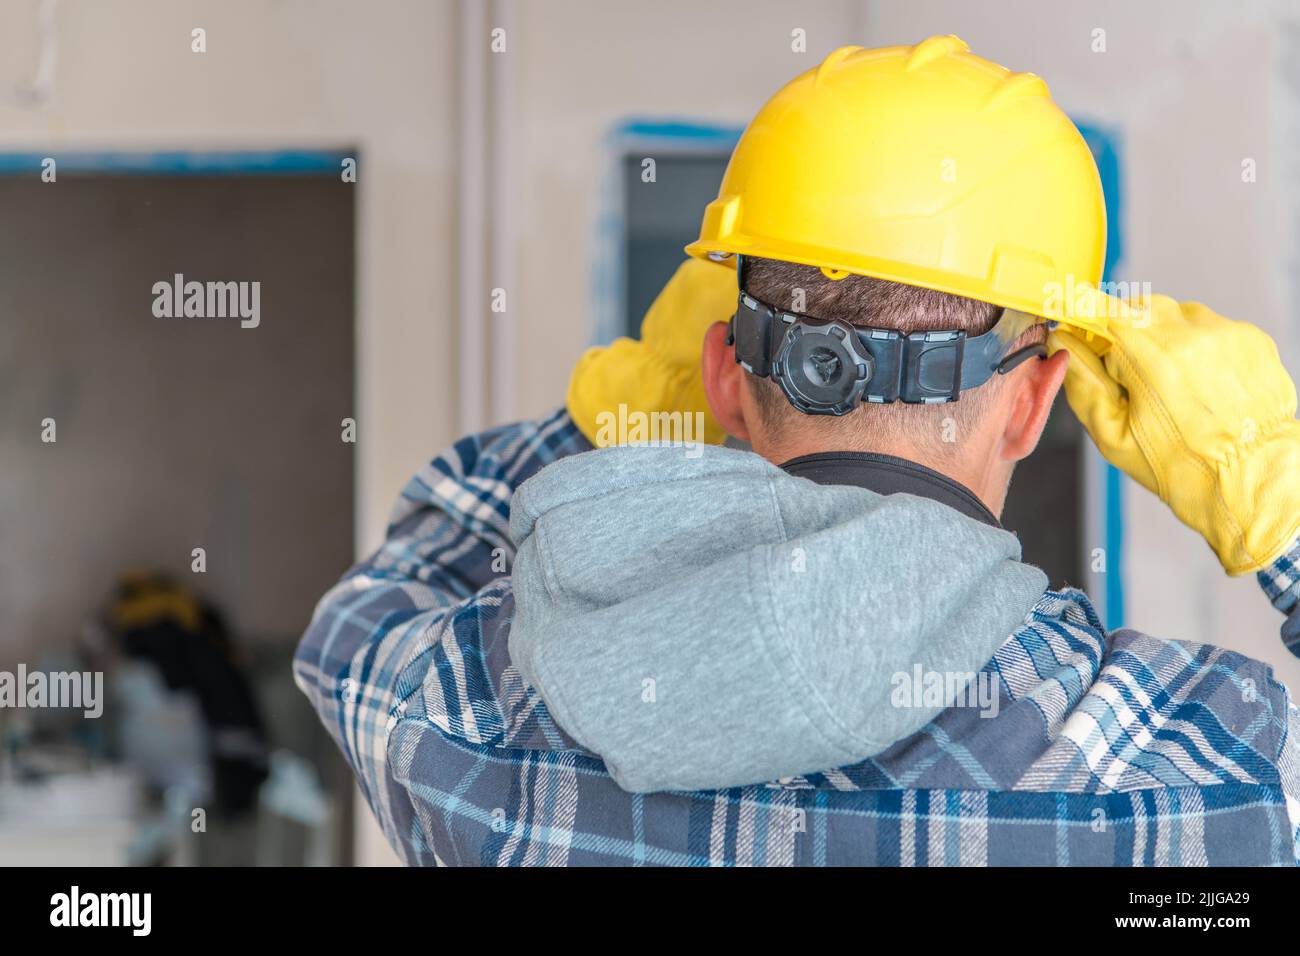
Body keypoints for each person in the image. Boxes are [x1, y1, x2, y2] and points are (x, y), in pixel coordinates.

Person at [295, 36, 1300, 866]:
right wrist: (1282, 509)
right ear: (1036, 401)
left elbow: (365, 615)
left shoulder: (485, 721)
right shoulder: (1194, 761)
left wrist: (619, 410)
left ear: (724, 374)